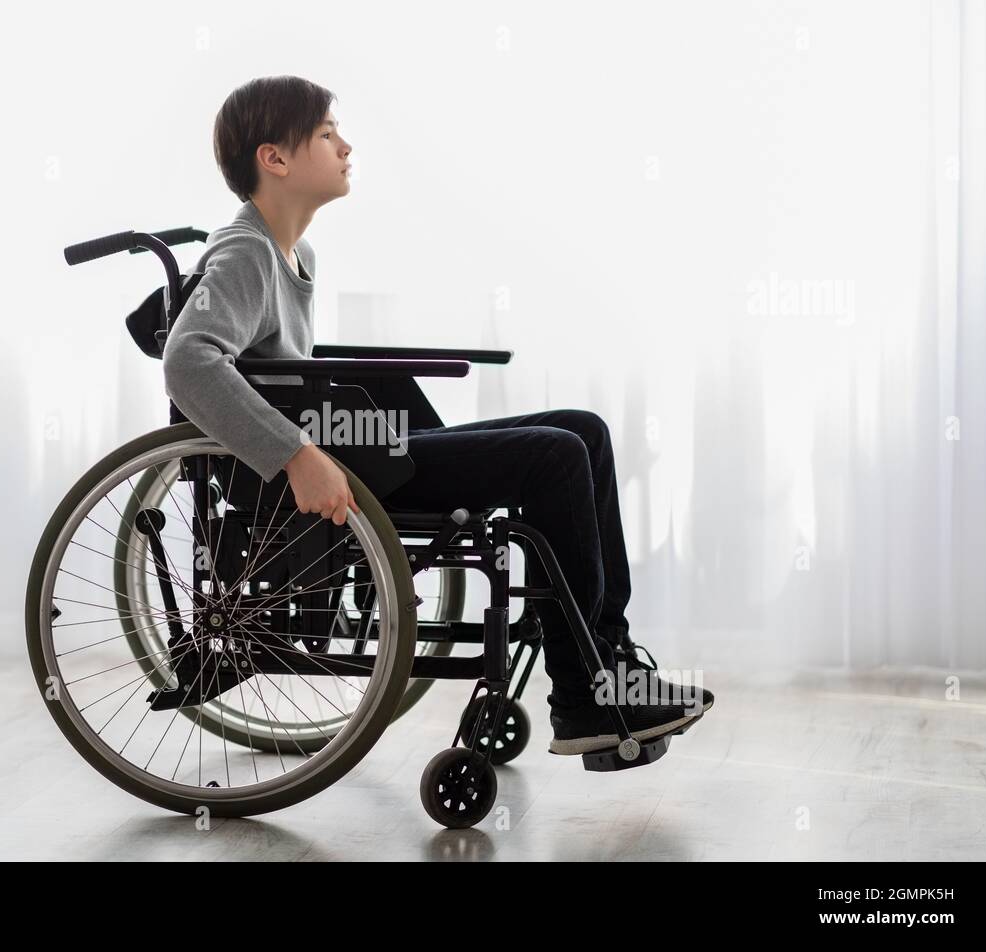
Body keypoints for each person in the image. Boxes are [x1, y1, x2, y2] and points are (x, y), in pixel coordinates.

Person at [162, 75, 713, 756]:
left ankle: (609, 660)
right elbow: (188, 363)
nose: (346, 145)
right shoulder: (244, 251)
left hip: (354, 445)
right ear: (274, 158)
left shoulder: (294, 252)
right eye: (328, 133)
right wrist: (295, 457)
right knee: (556, 456)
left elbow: (284, 373)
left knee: (583, 430)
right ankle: (583, 691)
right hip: (330, 467)